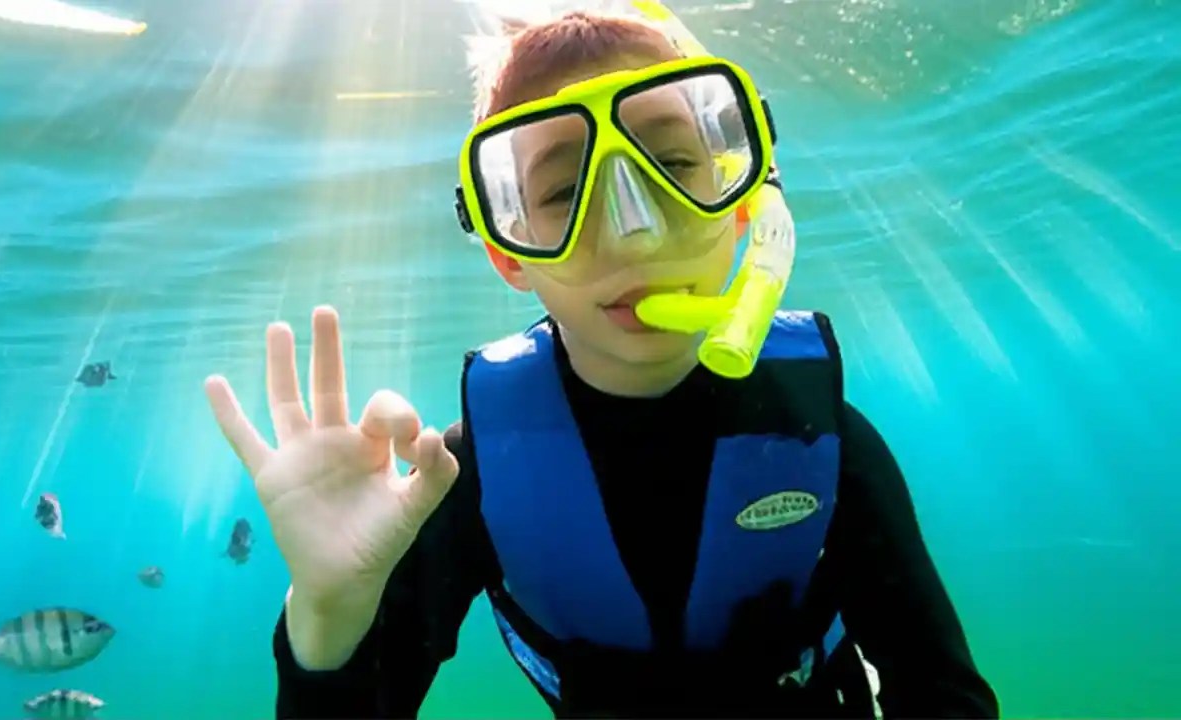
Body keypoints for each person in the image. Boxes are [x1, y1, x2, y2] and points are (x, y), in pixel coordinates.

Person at [203, 2, 999, 718]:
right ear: (510, 254)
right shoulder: (462, 478)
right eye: (560, 194)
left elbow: (944, 696)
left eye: (676, 166)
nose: (635, 235)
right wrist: (326, 625)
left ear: (746, 206)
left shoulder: (818, 436)